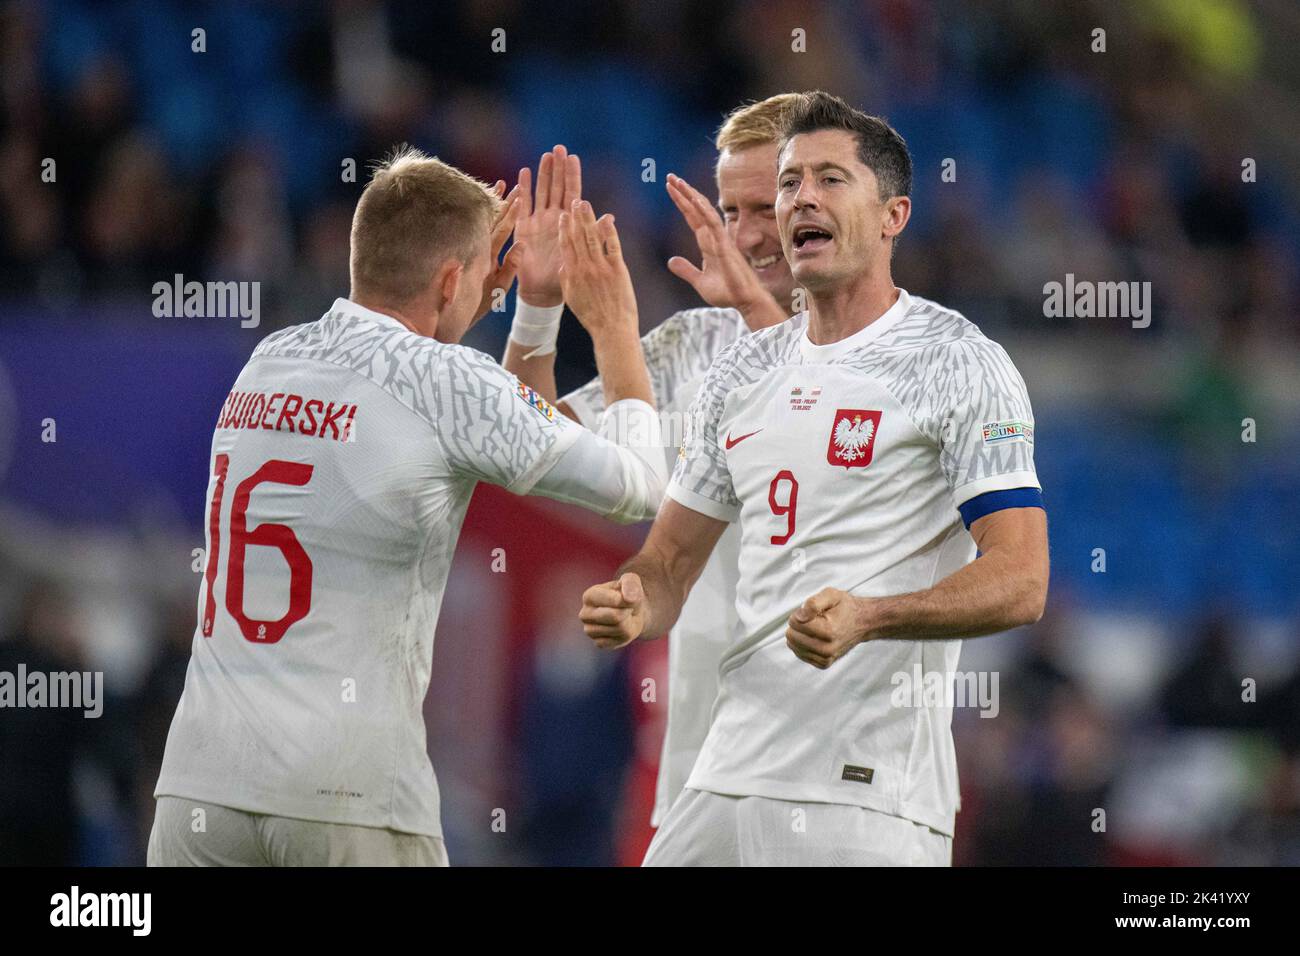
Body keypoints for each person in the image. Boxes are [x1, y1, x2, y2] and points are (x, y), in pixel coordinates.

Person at [149, 146, 666, 866]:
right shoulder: (446, 382)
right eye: (487, 279)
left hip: (200, 788)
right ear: (451, 277)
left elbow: (504, 440)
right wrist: (611, 328)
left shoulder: (268, 358)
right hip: (344, 797)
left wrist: (532, 307)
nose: (494, 292)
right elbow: (637, 484)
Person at [580, 92, 1050, 866]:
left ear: (894, 214)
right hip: (725, 775)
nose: (802, 197)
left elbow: (1021, 579)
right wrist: (634, 600)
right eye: (791, 181)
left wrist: (872, 615)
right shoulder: (742, 369)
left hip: (864, 795)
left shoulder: (958, 361)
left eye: (831, 179)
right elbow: (666, 566)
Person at [502, 95, 799, 826]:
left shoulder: (908, 347)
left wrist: (758, 318)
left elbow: (814, 409)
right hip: (703, 758)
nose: (746, 236)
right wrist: (542, 306)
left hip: (840, 766)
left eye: (766, 208)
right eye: (731, 212)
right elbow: (522, 440)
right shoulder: (694, 343)